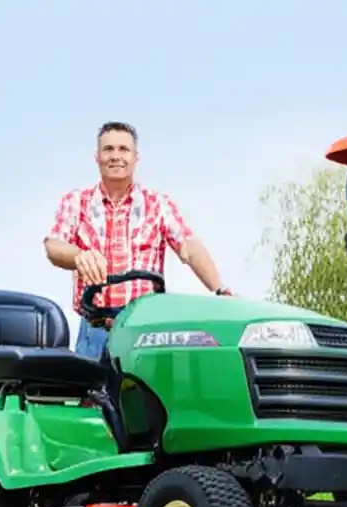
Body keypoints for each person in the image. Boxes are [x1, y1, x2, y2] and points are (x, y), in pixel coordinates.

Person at [43, 121, 232, 358]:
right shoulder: (77, 201)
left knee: (146, 394)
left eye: (123, 150)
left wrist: (220, 290)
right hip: (94, 328)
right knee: (91, 394)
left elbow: (188, 246)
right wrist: (79, 256)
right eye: (108, 149)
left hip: (144, 331)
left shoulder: (157, 204)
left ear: (135, 158)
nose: (116, 156)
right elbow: (53, 245)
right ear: (97, 157)